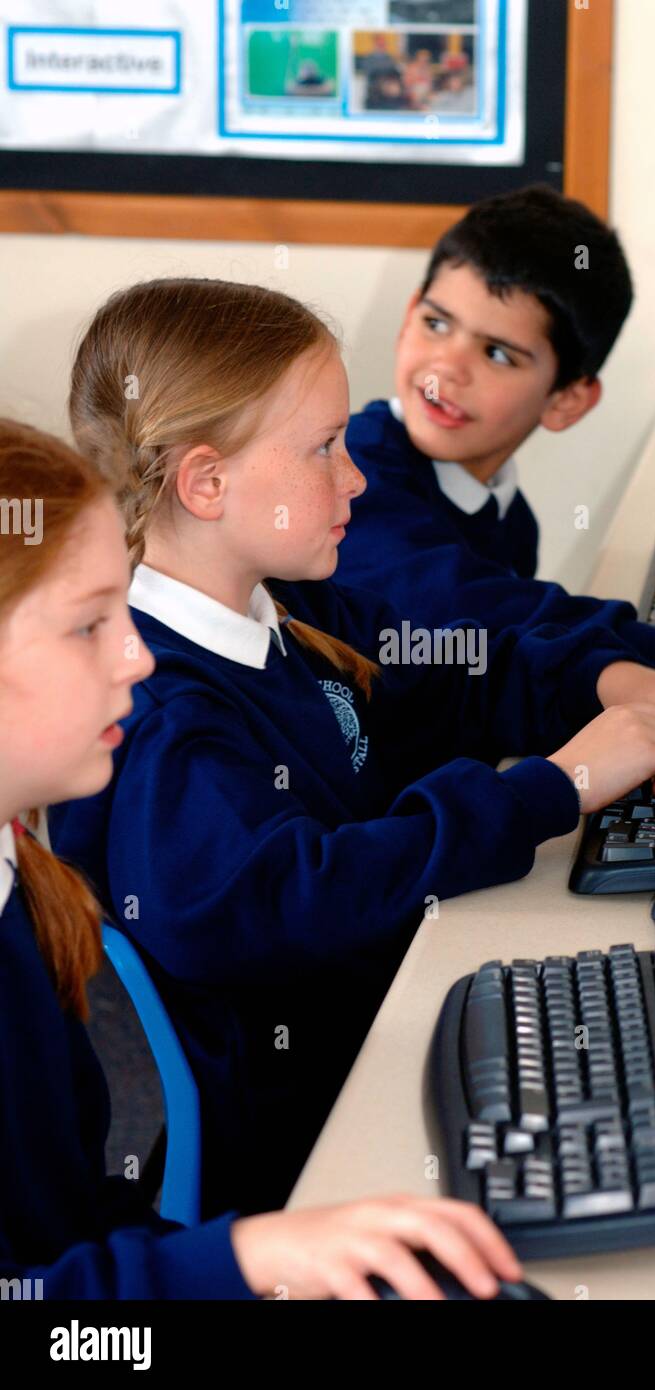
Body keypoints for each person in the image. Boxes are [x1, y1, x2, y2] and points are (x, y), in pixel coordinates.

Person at [52, 276, 655, 1218]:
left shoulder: (286, 604)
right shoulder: (157, 711)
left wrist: (612, 677)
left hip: (379, 1018)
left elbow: (456, 673)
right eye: (324, 450)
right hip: (307, 1135)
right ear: (206, 481)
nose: (357, 478)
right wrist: (558, 787)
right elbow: (294, 896)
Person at [0, 417, 524, 1300]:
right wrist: (246, 1259)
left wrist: (261, 1259)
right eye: (90, 626)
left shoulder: (19, 885)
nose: (137, 655)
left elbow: (71, 1238)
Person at [338, 184, 655, 685]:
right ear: (408, 317)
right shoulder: (348, 475)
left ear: (566, 400)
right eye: (437, 324)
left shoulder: (508, 519)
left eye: (498, 354)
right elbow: (449, 603)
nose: (448, 367)